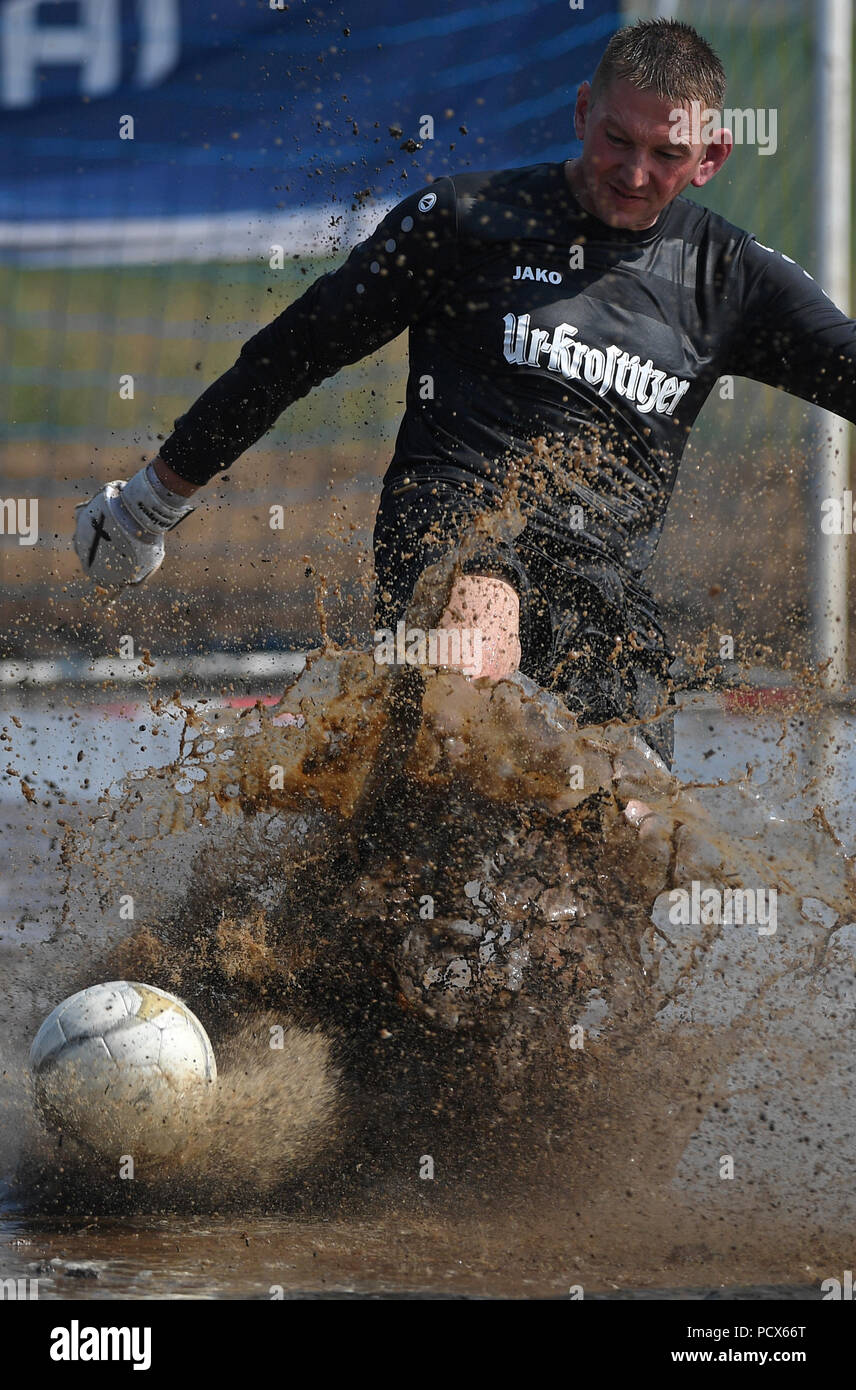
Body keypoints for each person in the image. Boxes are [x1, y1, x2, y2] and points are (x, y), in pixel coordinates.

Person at [73, 17, 856, 828]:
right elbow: (292, 354)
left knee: (625, 841)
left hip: (603, 588)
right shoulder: (466, 219)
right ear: (583, 110)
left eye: (665, 156)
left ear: (711, 158)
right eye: (617, 139)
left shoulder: (729, 278)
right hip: (456, 525)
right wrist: (151, 501)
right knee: (471, 660)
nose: (632, 172)